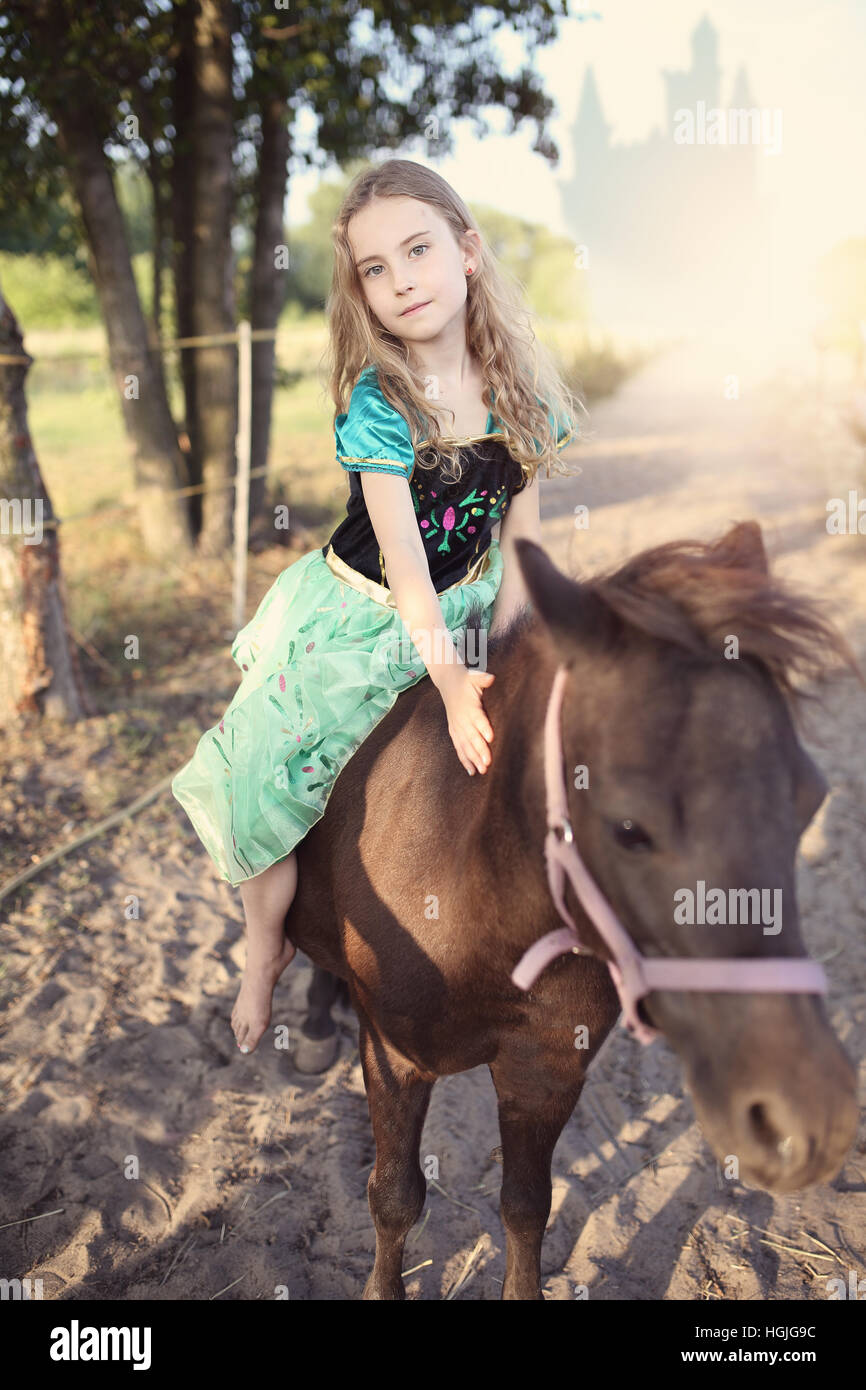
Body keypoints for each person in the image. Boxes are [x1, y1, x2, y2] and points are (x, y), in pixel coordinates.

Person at [171, 158, 582, 1056]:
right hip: (368, 611)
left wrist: (510, 649)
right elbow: (402, 565)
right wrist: (445, 674)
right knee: (266, 762)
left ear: (468, 253)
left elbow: (520, 542)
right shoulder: (382, 403)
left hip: (469, 596)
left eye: (419, 251)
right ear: (361, 292)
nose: (402, 281)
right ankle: (263, 947)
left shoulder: (520, 394)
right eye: (376, 269)